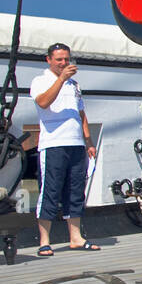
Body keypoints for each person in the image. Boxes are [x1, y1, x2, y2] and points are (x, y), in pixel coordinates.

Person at [30, 43, 99, 256]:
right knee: (50, 190)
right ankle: (44, 240)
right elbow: (43, 102)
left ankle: (76, 237)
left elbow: (81, 114)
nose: (63, 63)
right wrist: (60, 79)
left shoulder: (74, 85)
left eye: (66, 59)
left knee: (75, 190)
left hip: (76, 143)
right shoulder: (40, 81)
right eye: (59, 59)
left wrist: (88, 142)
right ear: (48, 60)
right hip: (53, 144)